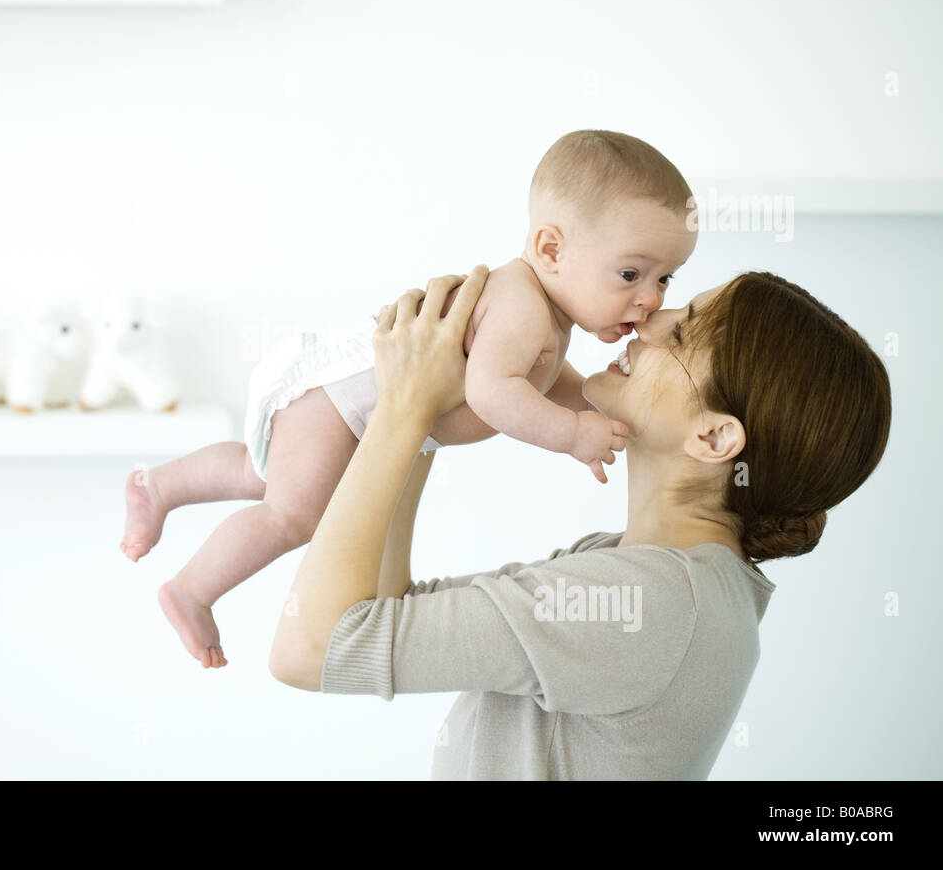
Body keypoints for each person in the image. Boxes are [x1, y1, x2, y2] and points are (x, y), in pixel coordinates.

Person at [268, 264, 892, 779]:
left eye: (681, 335)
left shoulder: (646, 603)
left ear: (713, 436)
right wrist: (422, 418)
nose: (650, 319)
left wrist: (402, 405)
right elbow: (389, 609)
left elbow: (312, 649)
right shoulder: (654, 578)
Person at [123, 130, 697, 668]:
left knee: (261, 474)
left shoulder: (545, 312)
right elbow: (493, 391)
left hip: (342, 406)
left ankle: (162, 485)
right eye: (630, 274)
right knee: (295, 514)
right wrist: (572, 435)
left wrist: (602, 409)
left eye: (666, 279)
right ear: (551, 250)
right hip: (342, 405)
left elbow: (551, 383)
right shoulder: (523, 310)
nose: (650, 298)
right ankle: (192, 590)